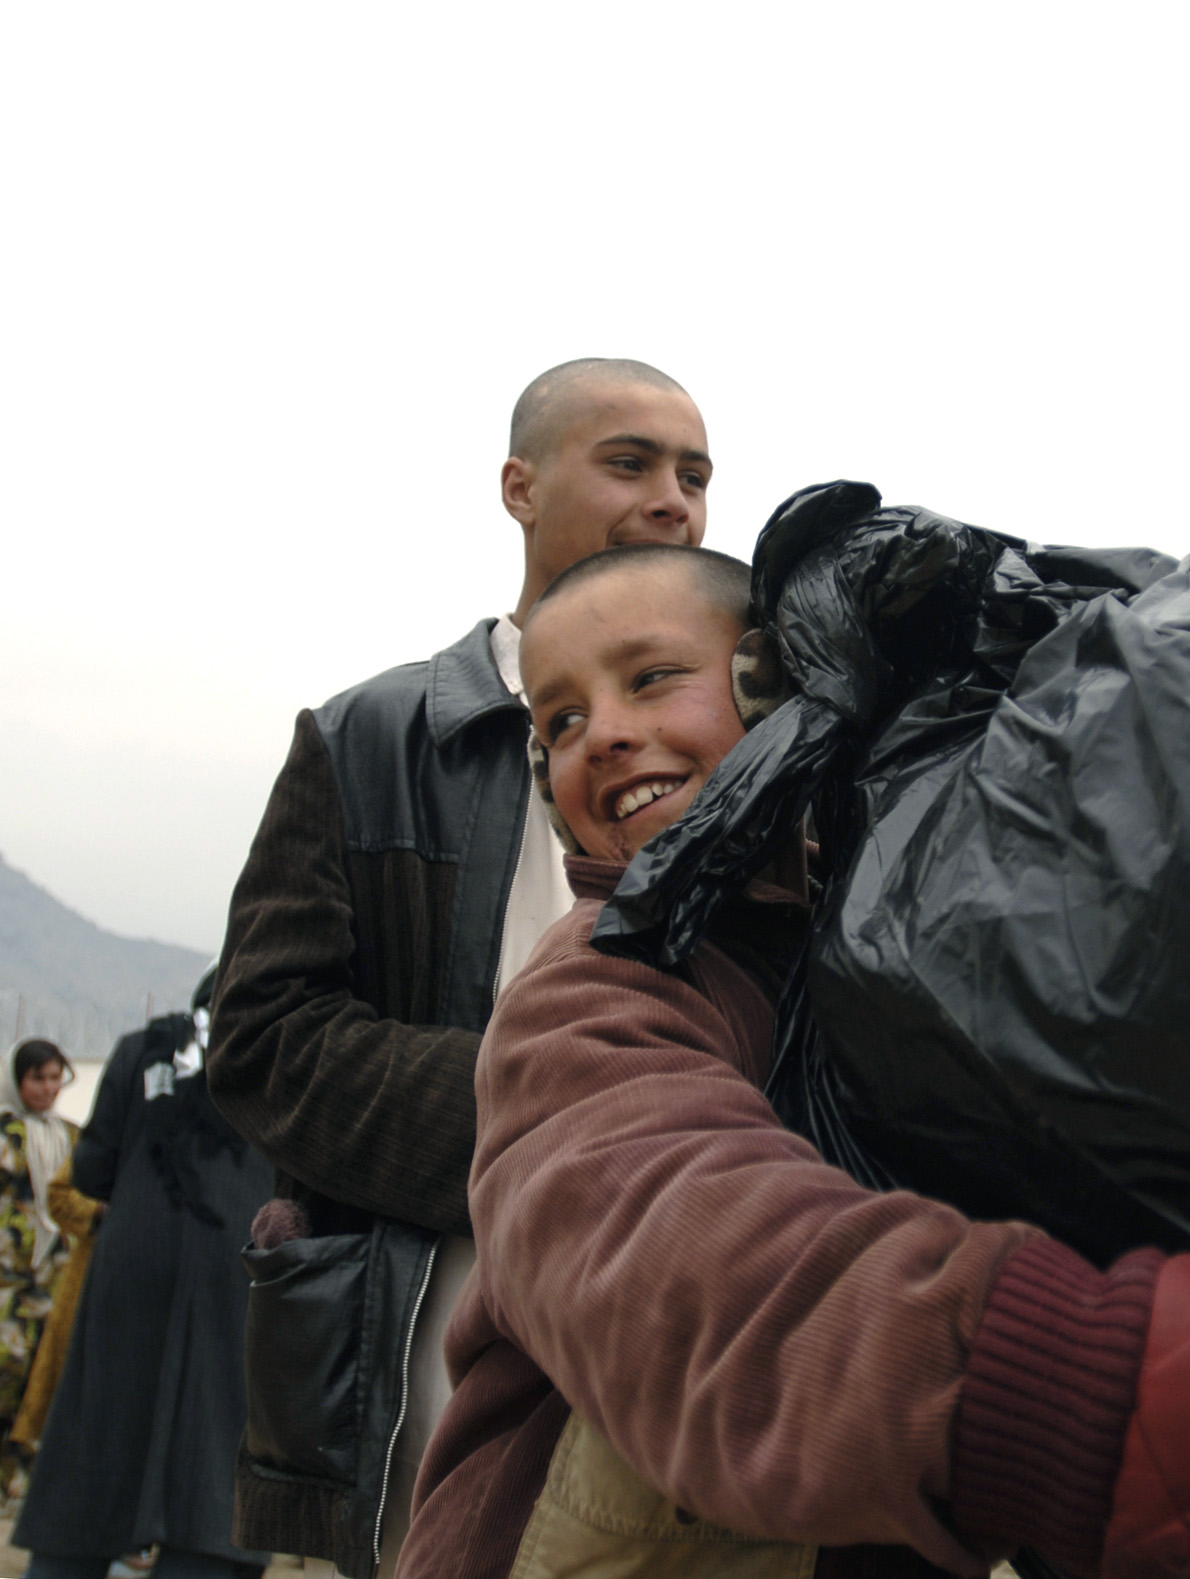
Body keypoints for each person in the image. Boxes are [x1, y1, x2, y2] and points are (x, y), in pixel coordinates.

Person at [399, 543, 1190, 1579]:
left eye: (652, 678)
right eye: (556, 721)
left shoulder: (922, 935)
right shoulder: (599, 981)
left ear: (781, 684)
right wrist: (1123, 1389)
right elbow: (676, 1262)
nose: (598, 732)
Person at [207, 357, 714, 1577]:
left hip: (677, 1366)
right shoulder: (372, 737)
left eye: (696, 474)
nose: (674, 501)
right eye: (631, 461)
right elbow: (263, 1038)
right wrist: (546, 1117)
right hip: (421, 1374)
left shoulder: (744, 740)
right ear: (518, 486)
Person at [12, 974, 275, 1579]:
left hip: (132, 1259)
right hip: (234, 1266)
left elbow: (93, 1167)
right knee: (214, 1429)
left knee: (100, 1418)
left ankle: (66, 1557)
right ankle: (200, 1554)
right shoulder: (282, 1056)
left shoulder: (139, 1050)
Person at [0, 1039, 79, 1498]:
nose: (48, 1089)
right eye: (37, 1078)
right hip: (8, 1283)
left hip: (55, 1279)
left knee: (43, 1376)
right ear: (17, 1081)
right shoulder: (6, 1136)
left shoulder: (71, 1137)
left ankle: (27, 1483)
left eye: (55, 1078)